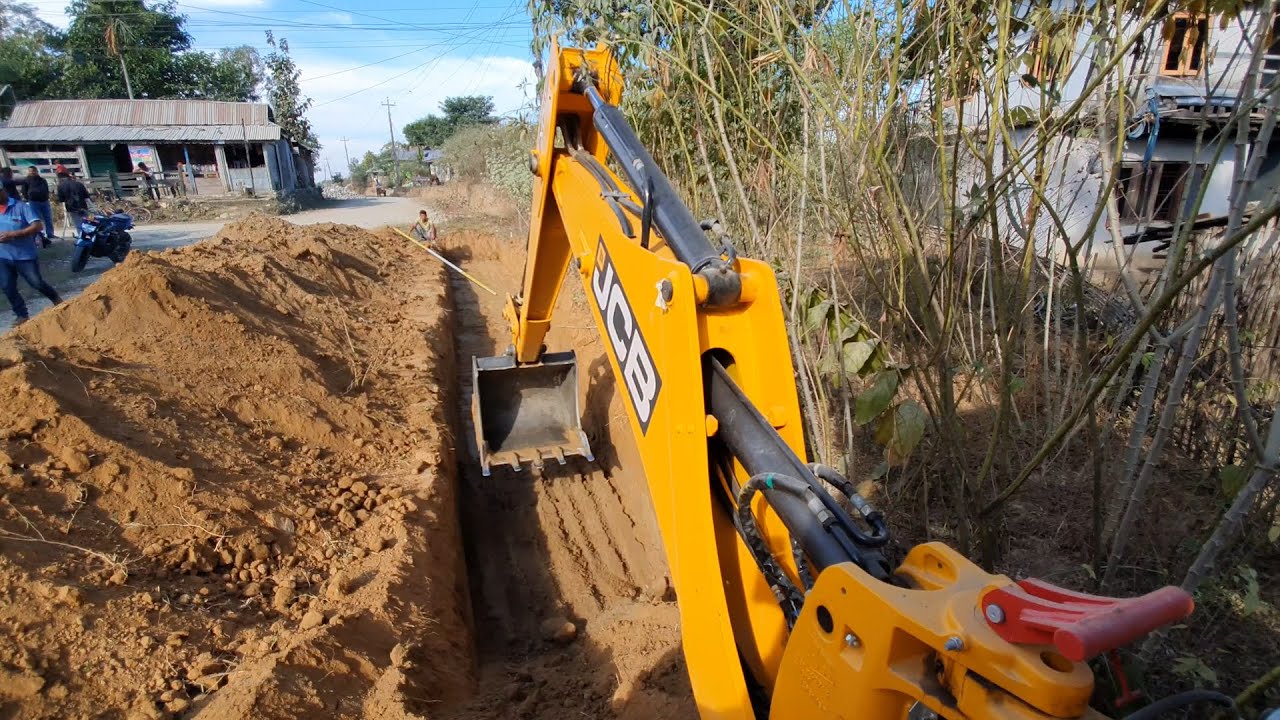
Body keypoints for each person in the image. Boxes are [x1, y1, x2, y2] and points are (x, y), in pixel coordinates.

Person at [0, 183, 61, 325]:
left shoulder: (20, 207)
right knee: (7, 286)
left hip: (24, 255)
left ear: (3, 191)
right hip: (3, 256)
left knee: (36, 282)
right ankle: (21, 315)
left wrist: (15, 234)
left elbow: (37, 225)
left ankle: (56, 299)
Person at [22, 167, 55, 243]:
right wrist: (28, 198)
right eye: (30, 171)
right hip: (33, 201)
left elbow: (46, 189)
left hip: (44, 201)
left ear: (37, 171)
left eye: (34, 171)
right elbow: (24, 191)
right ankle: (41, 235)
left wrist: (46, 196)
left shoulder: (42, 180)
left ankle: (50, 234)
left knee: (48, 218)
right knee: (37, 219)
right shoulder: (26, 181)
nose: (32, 172)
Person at [56, 170, 92, 236]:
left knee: (78, 224)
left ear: (60, 178)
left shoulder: (60, 186)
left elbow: (61, 199)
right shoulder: (79, 184)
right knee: (88, 222)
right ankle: (90, 235)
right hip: (83, 206)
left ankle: (82, 237)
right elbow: (86, 196)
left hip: (72, 207)